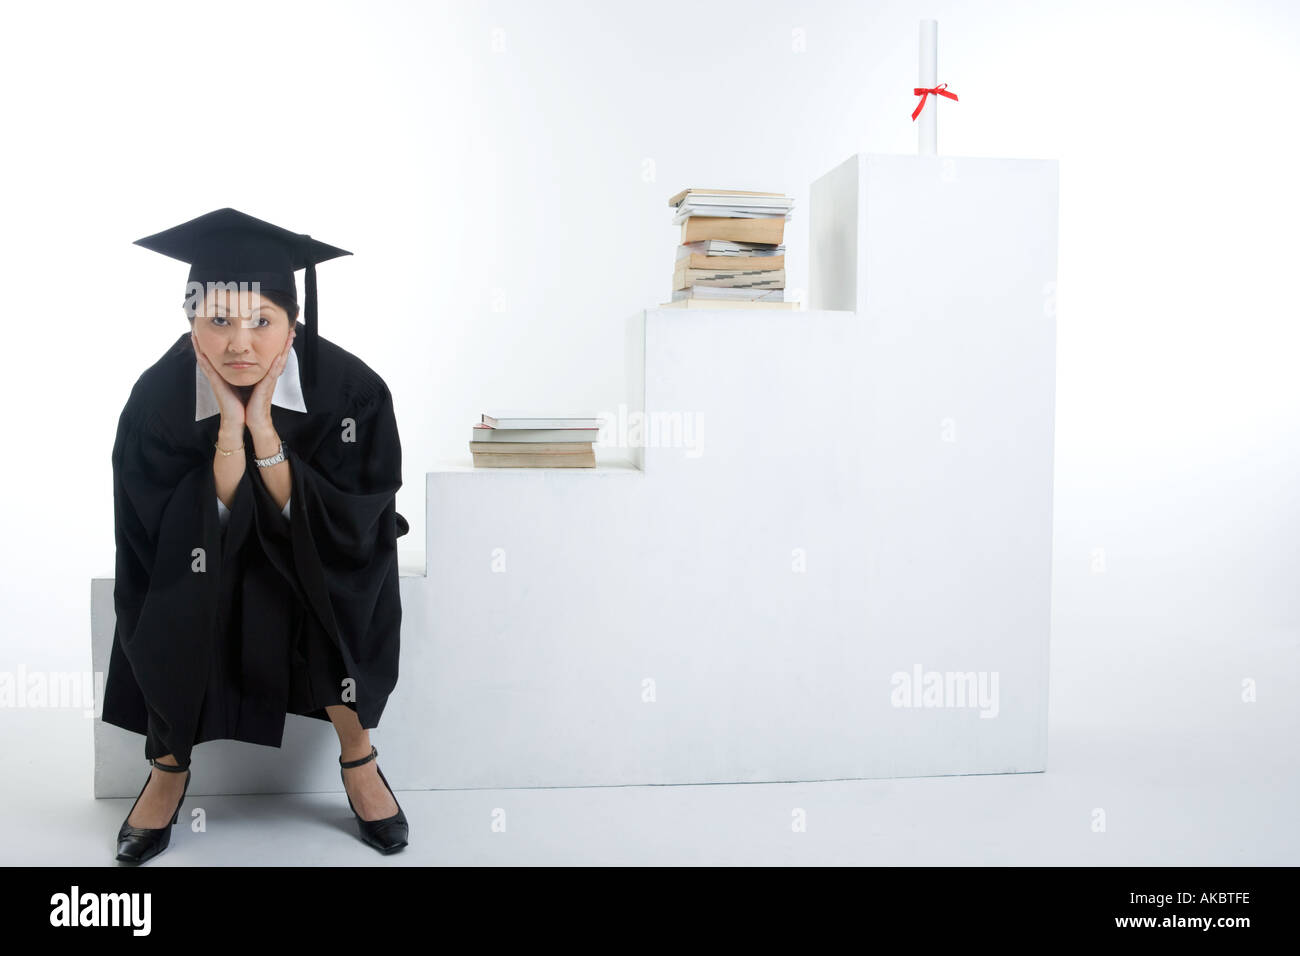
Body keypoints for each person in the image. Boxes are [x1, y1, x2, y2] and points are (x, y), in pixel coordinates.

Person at [103, 208, 411, 863]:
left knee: (344, 582)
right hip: (202, 554)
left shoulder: (352, 392)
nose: (239, 344)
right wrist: (227, 443)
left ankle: (358, 756)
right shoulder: (157, 402)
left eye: (261, 321)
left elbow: (357, 518)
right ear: (191, 323)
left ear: (292, 326)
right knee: (175, 589)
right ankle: (167, 766)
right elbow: (148, 529)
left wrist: (266, 435)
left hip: (316, 549)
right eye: (217, 320)